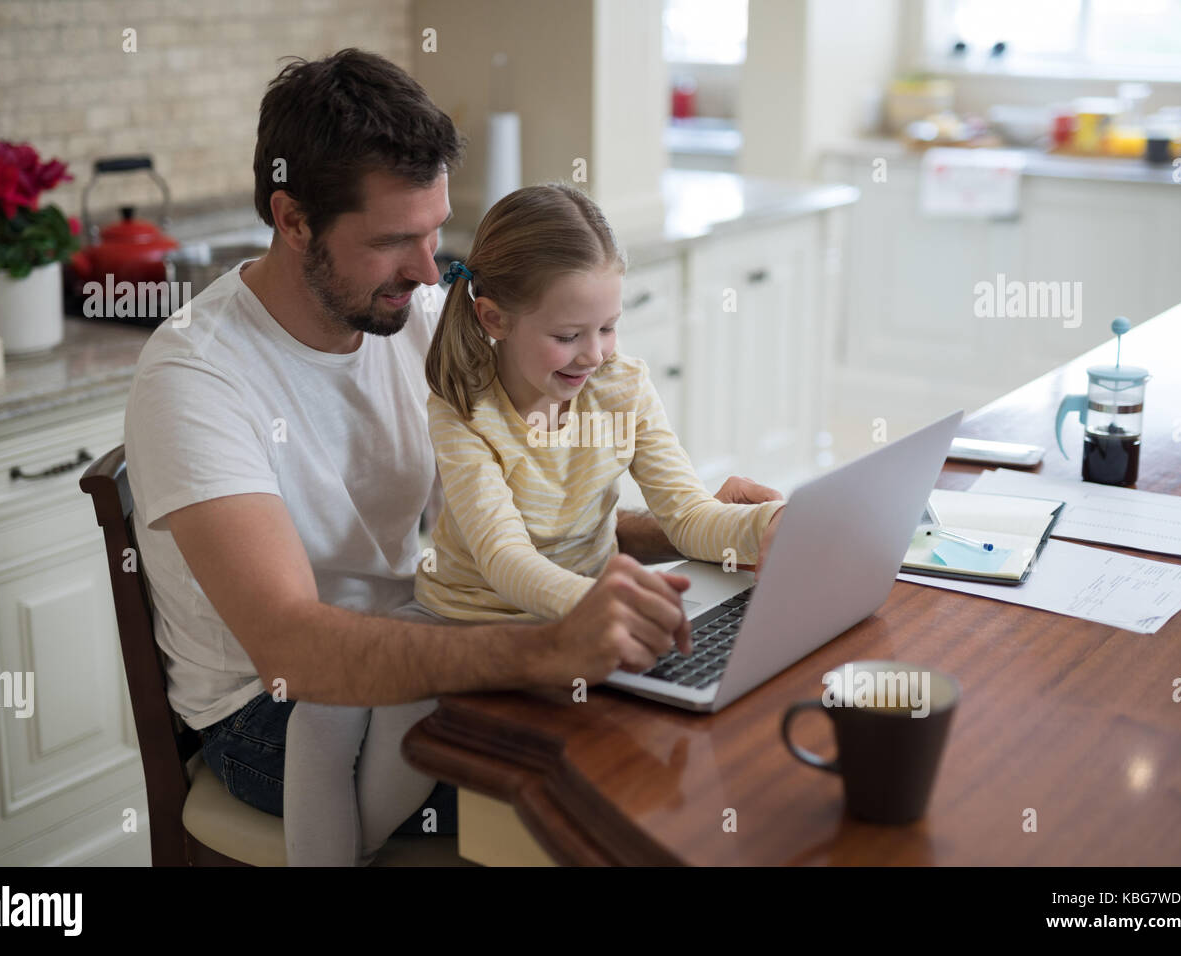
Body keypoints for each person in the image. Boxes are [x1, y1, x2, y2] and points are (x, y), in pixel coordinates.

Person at [123, 48, 783, 867]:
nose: (430, 270)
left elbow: (515, 514)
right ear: (293, 220)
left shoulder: (424, 320)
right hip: (272, 712)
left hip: (428, 629)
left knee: (671, 727)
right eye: (396, 240)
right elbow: (292, 650)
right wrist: (549, 646)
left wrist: (704, 530)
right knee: (611, 777)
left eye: (436, 232)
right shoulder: (196, 376)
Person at [282, 182, 786, 864]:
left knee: (393, 775)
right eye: (567, 335)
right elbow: (503, 559)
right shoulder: (463, 409)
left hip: (564, 635)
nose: (595, 354)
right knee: (319, 716)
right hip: (458, 624)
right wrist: (599, 605)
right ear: (493, 318)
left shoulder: (623, 388)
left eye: (608, 327)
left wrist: (774, 527)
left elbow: (690, 514)